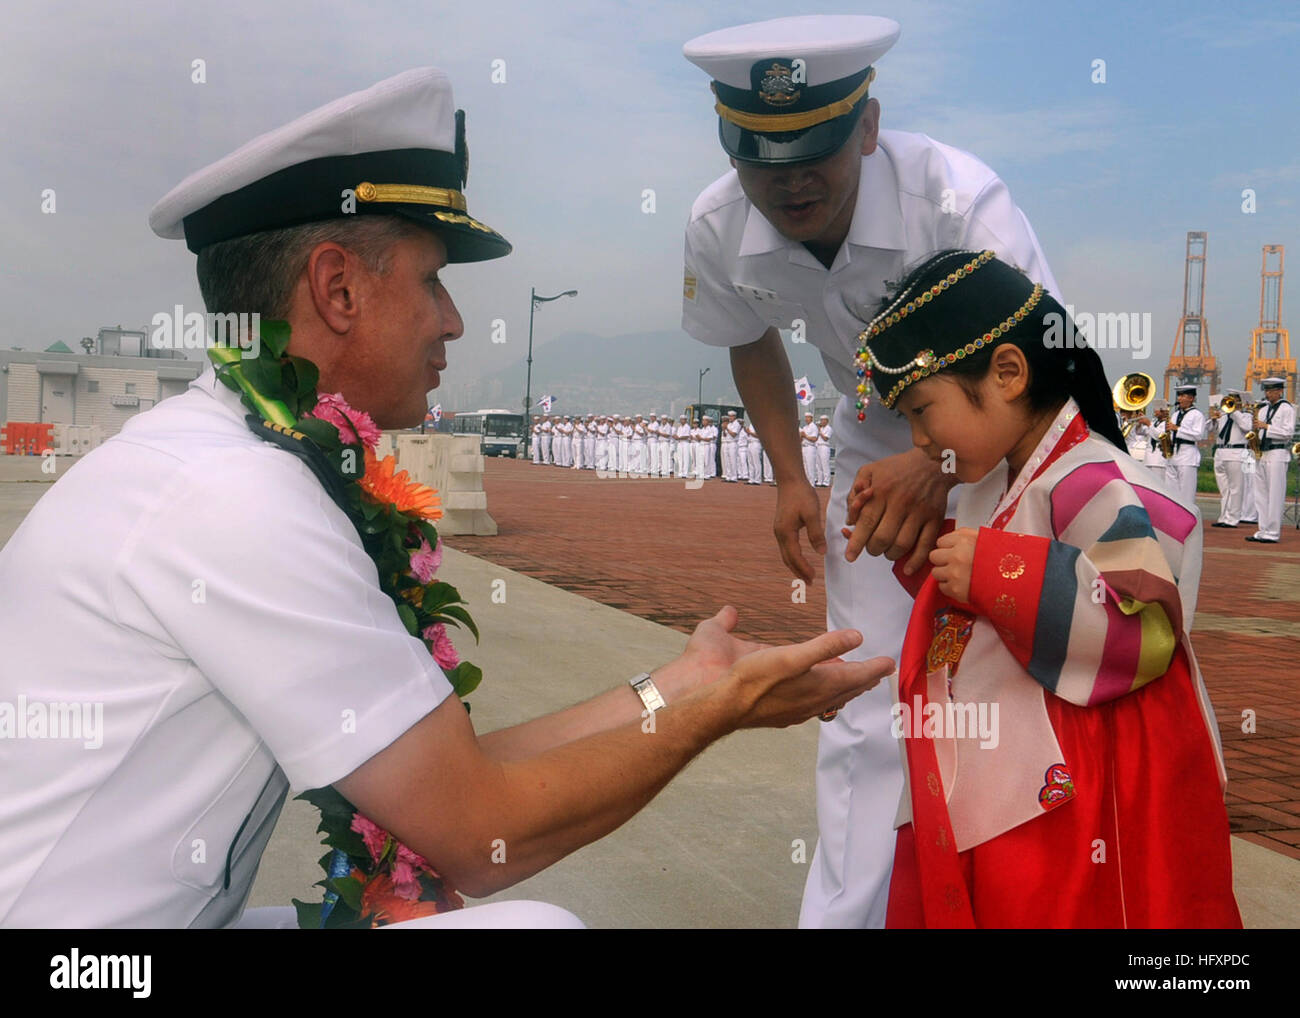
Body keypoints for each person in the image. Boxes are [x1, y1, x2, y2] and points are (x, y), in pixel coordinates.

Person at [0, 67, 893, 930]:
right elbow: (478, 834)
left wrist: (682, 684)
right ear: (337, 288)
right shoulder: (233, 496)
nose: (456, 320)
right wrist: (720, 712)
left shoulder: (237, 460)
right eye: (432, 280)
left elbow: (449, 779)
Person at [680, 14, 1059, 927]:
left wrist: (939, 460)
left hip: (1011, 440)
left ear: (868, 126)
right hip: (872, 439)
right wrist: (788, 478)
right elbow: (749, 338)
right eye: (762, 159)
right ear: (731, 149)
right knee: (870, 685)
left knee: (1017, 679)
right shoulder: (717, 225)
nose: (790, 181)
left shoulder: (959, 201)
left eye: (814, 151)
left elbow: (1040, 362)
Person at [854, 250, 1240, 928]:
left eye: (922, 410)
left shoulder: (1095, 481)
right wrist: (927, 553)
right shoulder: (1000, 481)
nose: (918, 439)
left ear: (1007, 372)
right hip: (1008, 778)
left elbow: (1142, 629)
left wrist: (996, 571)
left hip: (1072, 803)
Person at [1248, 378, 1295, 544]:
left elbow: (1287, 432)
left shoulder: (1287, 408)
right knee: (1260, 493)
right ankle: (1263, 529)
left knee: (1275, 494)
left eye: (1271, 391)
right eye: (1266, 391)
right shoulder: (1264, 409)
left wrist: (1267, 427)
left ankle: (1273, 532)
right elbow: (1258, 429)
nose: (1267, 394)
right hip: (1263, 452)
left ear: (1279, 391)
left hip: (1277, 452)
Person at [1210, 391, 1253, 528]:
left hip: (1236, 451)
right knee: (1224, 489)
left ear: (1240, 402)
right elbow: (1210, 430)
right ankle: (1224, 517)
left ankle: (1233, 519)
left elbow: (1247, 427)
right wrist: (1213, 419)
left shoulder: (1246, 415)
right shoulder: (1223, 416)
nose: (1231, 403)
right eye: (1230, 400)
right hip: (1221, 451)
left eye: (1234, 400)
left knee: (1236, 488)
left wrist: (1234, 412)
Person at [1164, 385, 1205, 509]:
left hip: (1188, 455)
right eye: (1179, 396)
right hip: (1173, 453)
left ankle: (1188, 520)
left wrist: (1177, 429)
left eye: (1183, 396)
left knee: (1186, 492)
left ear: (1191, 398)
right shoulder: (1175, 414)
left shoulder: (1197, 415)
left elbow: (1199, 435)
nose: (1179, 399)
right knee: (1171, 491)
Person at [816, 414, 833, 487]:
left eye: (823, 420)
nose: (822, 422)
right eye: (821, 420)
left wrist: (819, 431)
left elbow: (825, 438)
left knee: (825, 465)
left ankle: (826, 481)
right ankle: (820, 481)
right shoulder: (821, 428)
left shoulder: (829, 428)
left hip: (824, 447)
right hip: (818, 446)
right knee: (818, 465)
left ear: (827, 421)